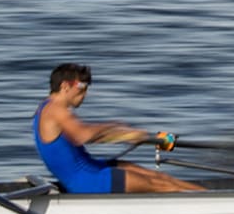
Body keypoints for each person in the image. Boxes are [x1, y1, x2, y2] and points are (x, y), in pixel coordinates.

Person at [33, 63, 205, 193]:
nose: (85, 95)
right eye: (82, 89)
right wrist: (113, 125)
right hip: (87, 181)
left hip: (91, 168)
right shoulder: (58, 110)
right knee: (160, 184)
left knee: (159, 177)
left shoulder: (45, 107)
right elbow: (82, 136)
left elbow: (84, 137)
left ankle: (210, 195)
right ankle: (212, 201)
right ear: (65, 86)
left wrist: (126, 135)